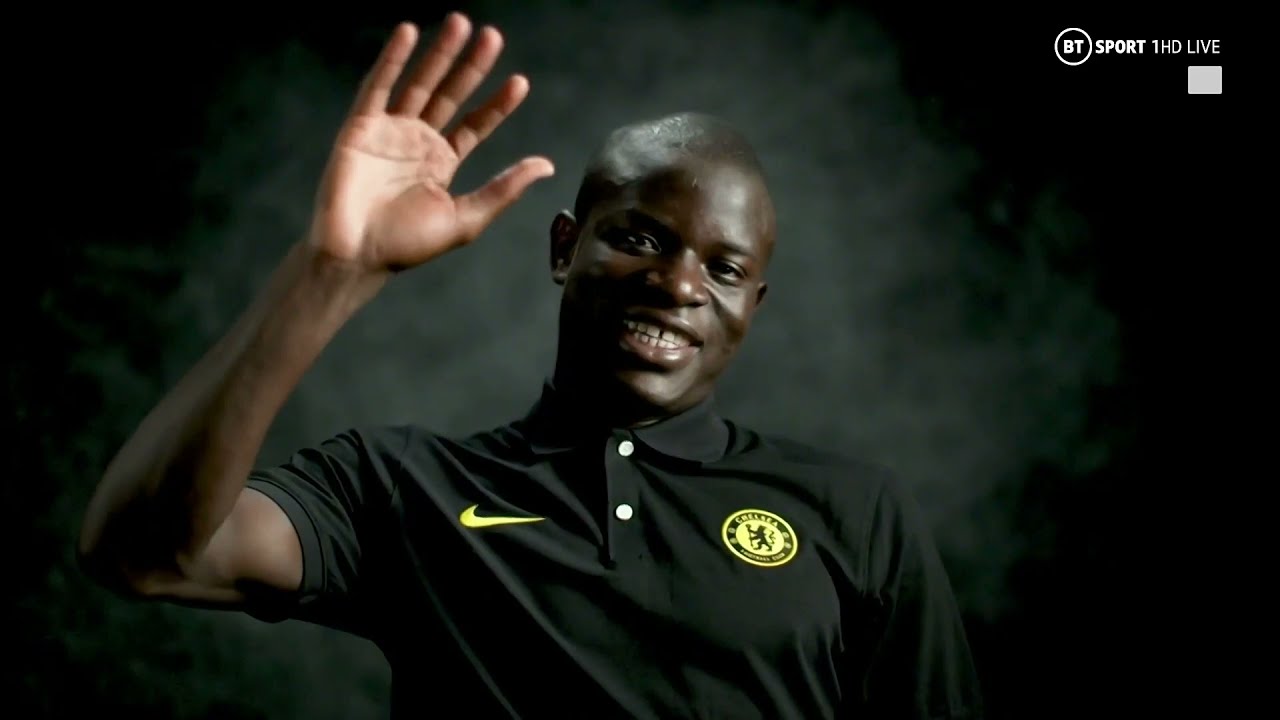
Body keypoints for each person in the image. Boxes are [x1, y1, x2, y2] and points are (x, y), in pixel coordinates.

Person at [78, 12, 984, 719]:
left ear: (754, 308)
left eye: (725, 268)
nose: (677, 283)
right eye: (639, 238)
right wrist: (331, 273)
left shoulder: (855, 511)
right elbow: (145, 557)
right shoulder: (400, 491)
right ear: (564, 249)